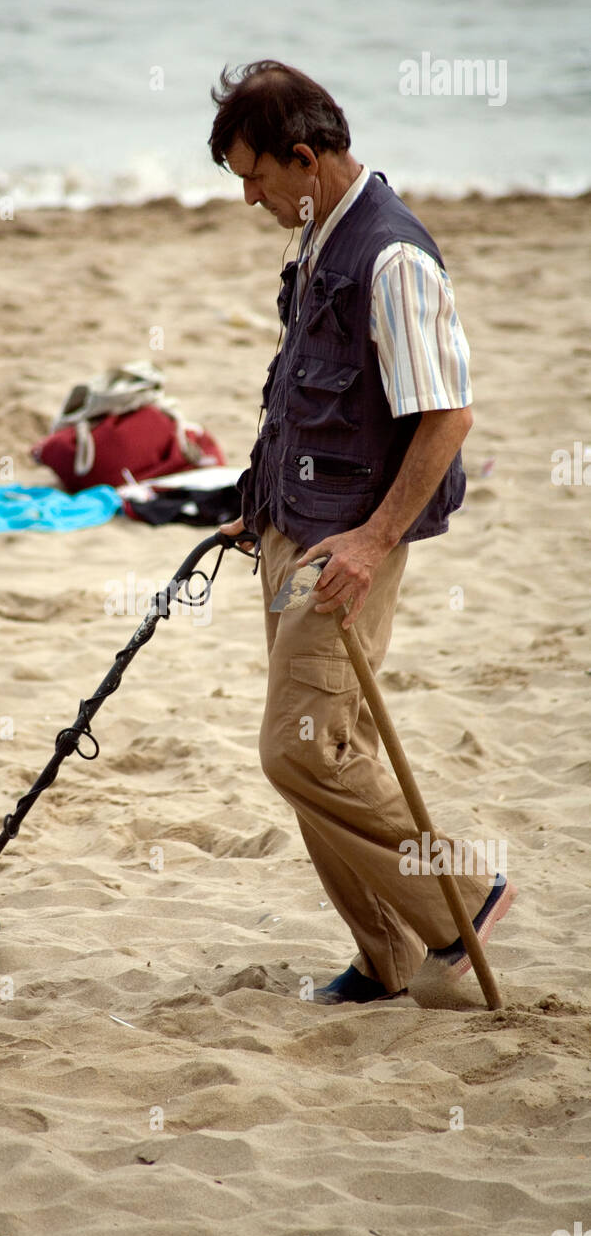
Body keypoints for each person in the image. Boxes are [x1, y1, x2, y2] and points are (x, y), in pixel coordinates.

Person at [210, 61, 516, 1004]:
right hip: (291, 529)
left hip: (350, 549)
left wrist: (375, 540)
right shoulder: (317, 240)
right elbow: (305, 400)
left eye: (257, 176)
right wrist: (256, 503)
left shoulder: (391, 255)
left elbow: (447, 416)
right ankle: (386, 958)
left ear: (305, 158)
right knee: (323, 749)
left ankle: (468, 893)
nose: (252, 197)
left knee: (300, 749)